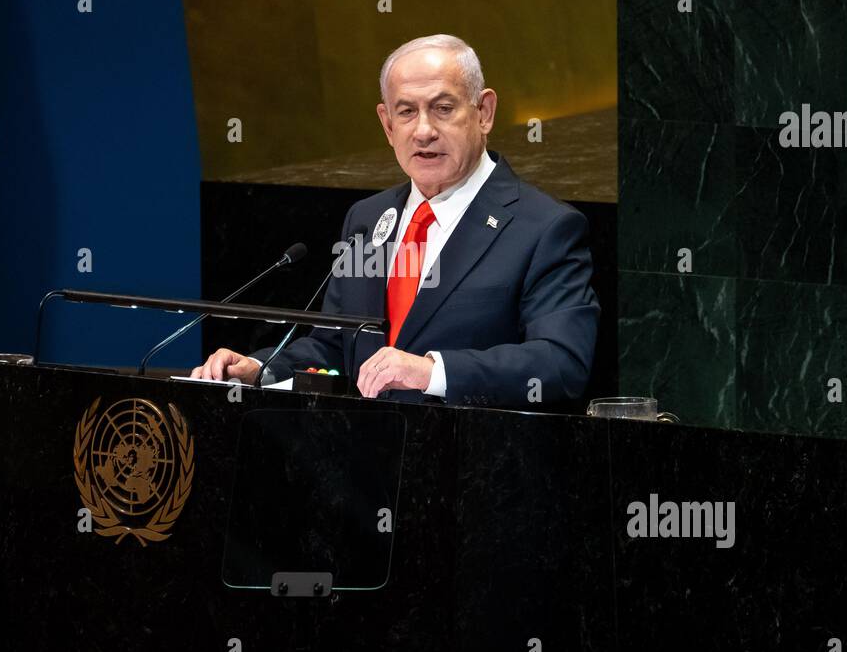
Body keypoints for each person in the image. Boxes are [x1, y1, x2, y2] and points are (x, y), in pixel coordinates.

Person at [190, 34, 600, 410]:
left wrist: (432, 371)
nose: (424, 131)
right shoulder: (367, 219)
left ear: (484, 112)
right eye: (407, 112)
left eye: (443, 108)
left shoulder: (544, 227)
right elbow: (336, 347)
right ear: (387, 124)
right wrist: (262, 369)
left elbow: (560, 363)